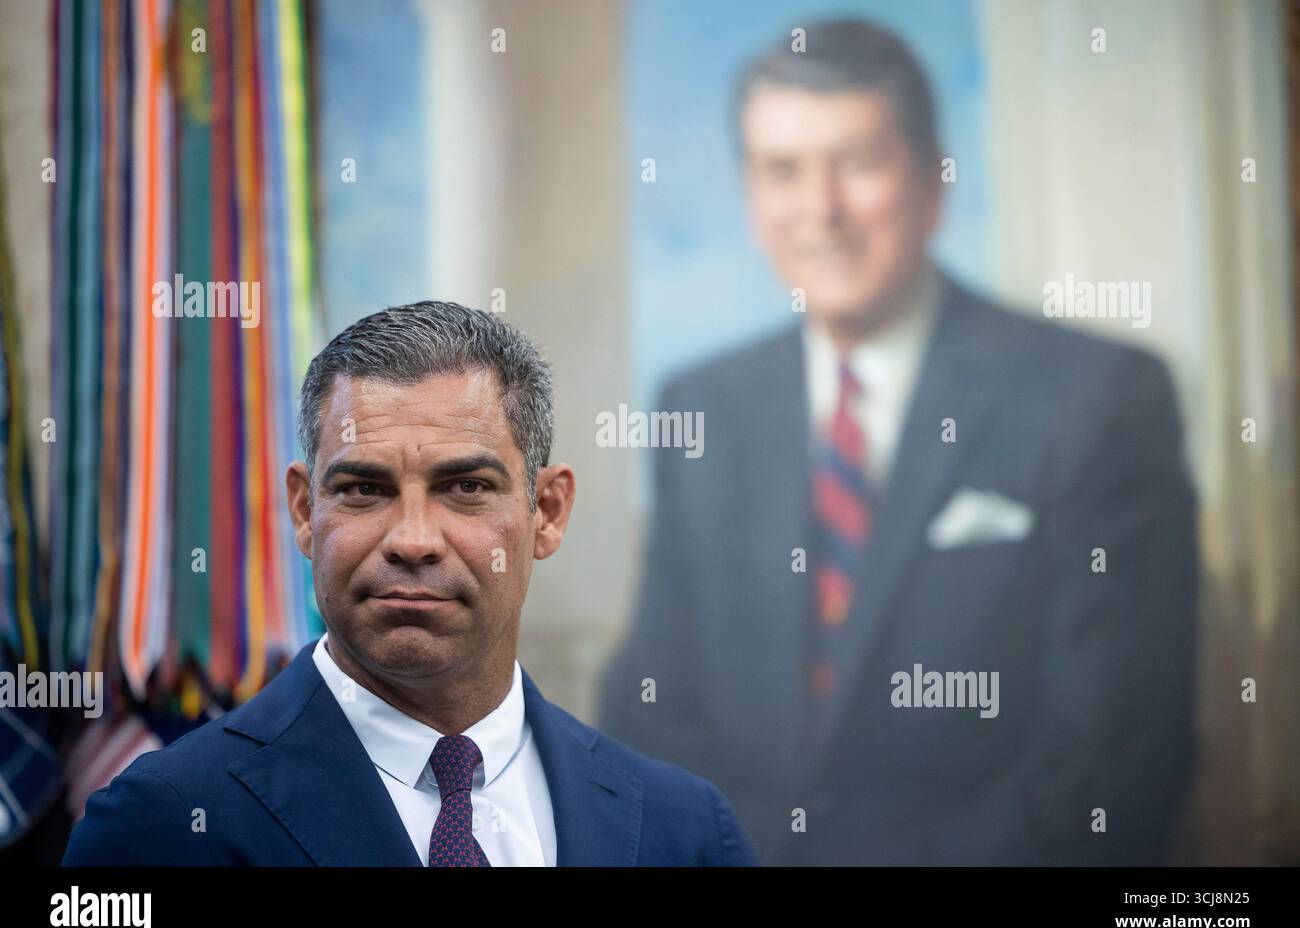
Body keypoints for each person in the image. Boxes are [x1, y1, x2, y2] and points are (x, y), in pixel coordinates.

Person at [598, 19, 1198, 866]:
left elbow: (1115, 763)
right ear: (750, 195)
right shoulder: (700, 409)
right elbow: (647, 718)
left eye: (858, 163)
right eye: (783, 171)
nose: (821, 211)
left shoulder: (1096, 400)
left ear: (931, 182)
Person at [64, 301, 758, 866]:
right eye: (365, 490)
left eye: (466, 487)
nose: (414, 540)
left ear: (546, 512)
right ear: (306, 512)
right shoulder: (161, 825)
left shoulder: (685, 831)